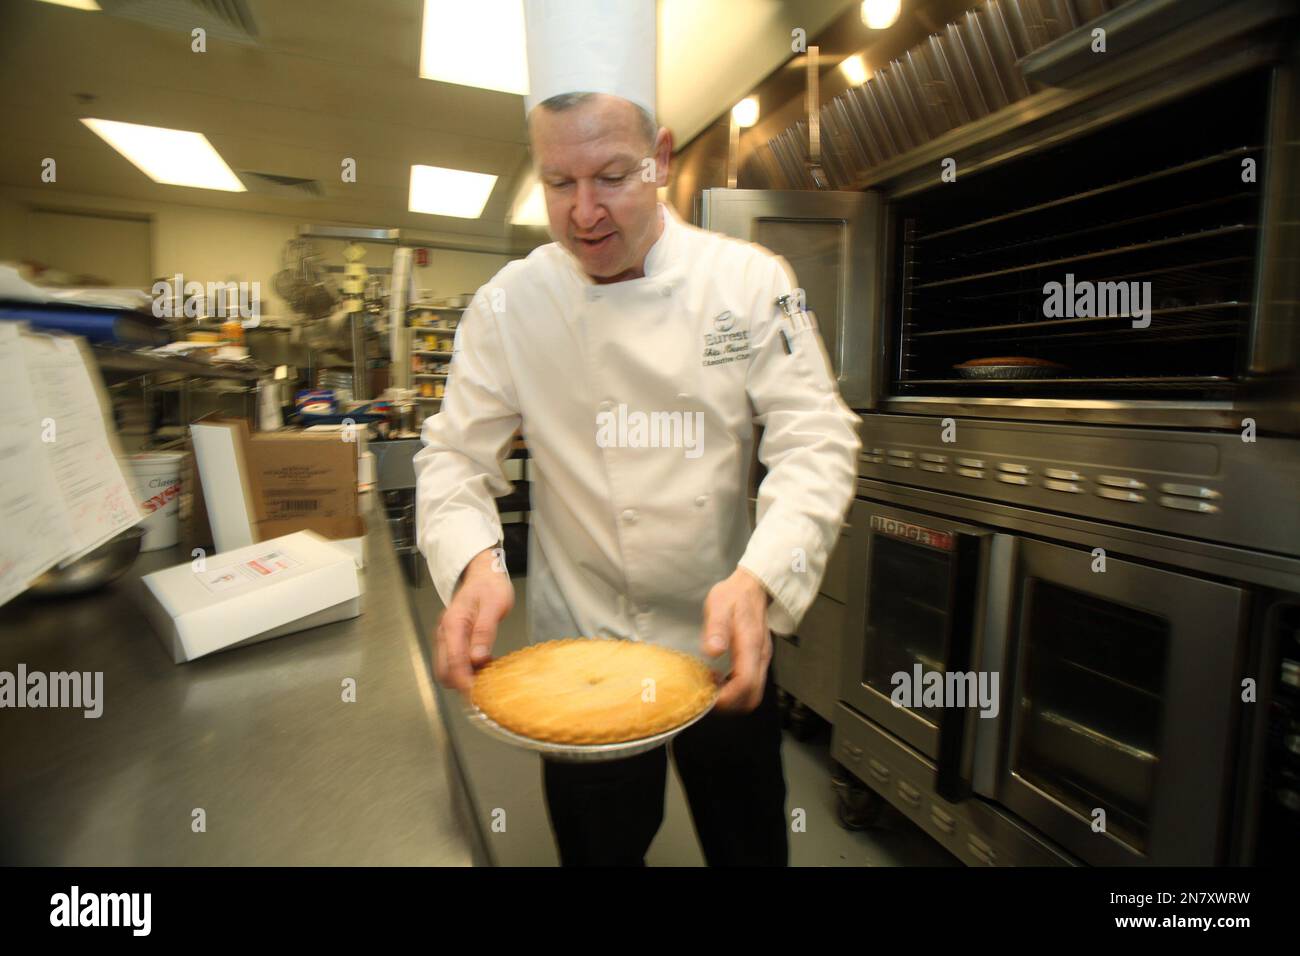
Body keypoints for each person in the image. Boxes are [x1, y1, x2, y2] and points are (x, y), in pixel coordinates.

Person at [413, 0, 860, 866]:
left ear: (660, 159)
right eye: (558, 183)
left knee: (749, 847)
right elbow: (454, 455)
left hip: (724, 641)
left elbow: (818, 438)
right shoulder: (513, 303)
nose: (584, 214)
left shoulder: (749, 280)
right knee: (598, 856)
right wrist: (471, 562)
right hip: (577, 658)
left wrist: (761, 579)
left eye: (611, 176)